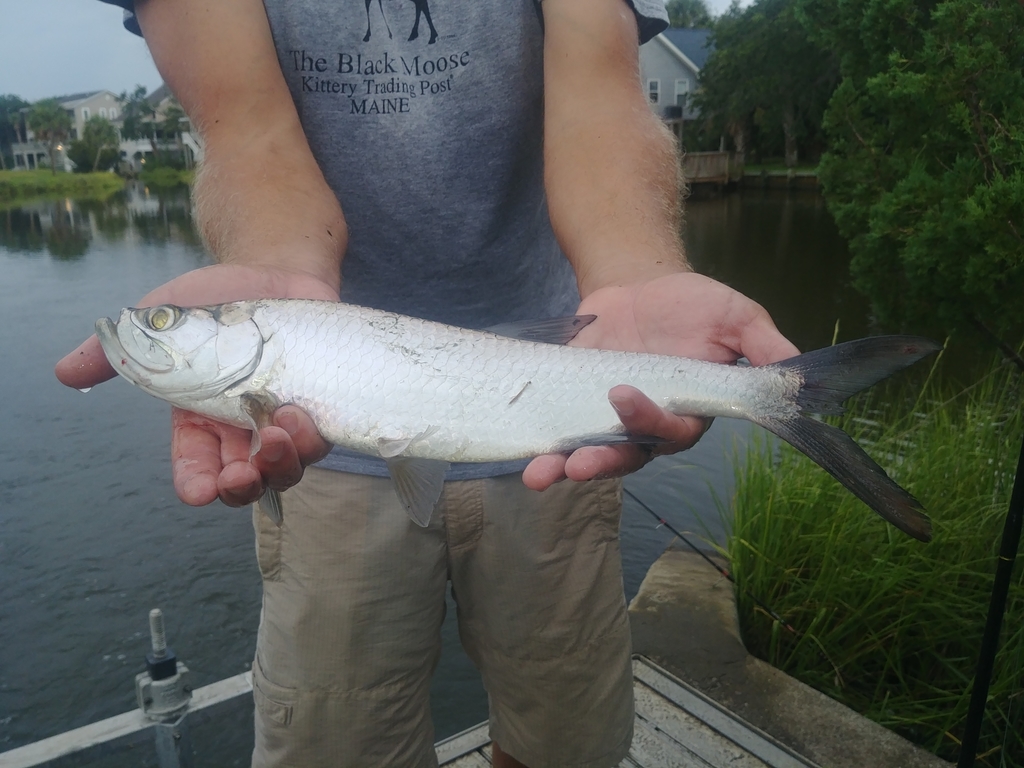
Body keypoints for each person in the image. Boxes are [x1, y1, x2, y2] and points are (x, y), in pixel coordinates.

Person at [58, 0, 799, 766]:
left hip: (562, 403)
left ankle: (775, 398)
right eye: (166, 327)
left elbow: (603, 103)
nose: (150, 329)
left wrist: (638, 270)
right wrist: (283, 262)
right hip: (325, 464)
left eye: (166, 325)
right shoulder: (269, 348)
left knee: (562, 744)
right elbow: (246, 131)